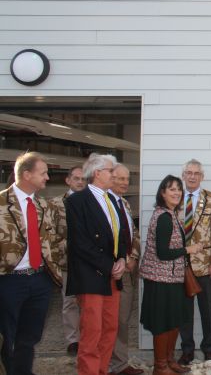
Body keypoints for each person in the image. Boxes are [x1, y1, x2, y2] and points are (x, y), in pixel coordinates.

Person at [66, 153, 128, 375]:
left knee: (110, 328)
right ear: (97, 173)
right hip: (91, 275)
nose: (115, 175)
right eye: (111, 171)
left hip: (112, 276)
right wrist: (109, 265)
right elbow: (79, 242)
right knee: (92, 330)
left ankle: (102, 370)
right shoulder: (77, 201)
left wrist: (122, 259)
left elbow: (121, 235)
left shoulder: (112, 200)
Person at [0, 152, 62, 375]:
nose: (47, 177)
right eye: (43, 173)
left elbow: (53, 241)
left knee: (29, 336)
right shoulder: (1, 203)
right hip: (8, 281)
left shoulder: (43, 206)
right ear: (26, 174)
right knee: (6, 336)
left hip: (39, 280)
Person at [139, 175, 202, 375]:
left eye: (179, 189)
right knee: (163, 323)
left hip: (173, 279)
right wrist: (188, 250)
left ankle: (169, 360)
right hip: (160, 280)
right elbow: (163, 253)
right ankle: (160, 366)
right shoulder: (164, 218)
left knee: (174, 321)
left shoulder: (172, 214)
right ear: (162, 193)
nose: (177, 193)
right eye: (171, 189)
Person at [178, 159, 211, 364]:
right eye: (189, 173)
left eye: (196, 173)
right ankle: (187, 349)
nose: (192, 176)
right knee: (184, 310)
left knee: (207, 309)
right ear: (183, 175)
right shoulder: (174, 197)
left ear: (202, 177)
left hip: (204, 263)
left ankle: (209, 348)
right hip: (179, 263)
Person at [108, 164, 143, 375]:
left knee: (122, 319)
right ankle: (108, 363)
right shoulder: (104, 203)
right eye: (120, 178)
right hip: (110, 271)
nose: (124, 182)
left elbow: (134, 234)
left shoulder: (125, 204)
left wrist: (133, 257)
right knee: (108, 319)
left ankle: (119, 363)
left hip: (128, 271)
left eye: (127, 179)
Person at [49, 165, 85, 356]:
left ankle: (87, 337)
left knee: (87, 301)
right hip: (67, 260)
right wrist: (64, 244)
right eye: (76, 178)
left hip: (88, 262)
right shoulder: (56, 204)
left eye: (83, 179)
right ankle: (73, 340)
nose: (80, 182)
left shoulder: (91, 202)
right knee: (69, 301)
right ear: (68, 180)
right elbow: (49, 233)